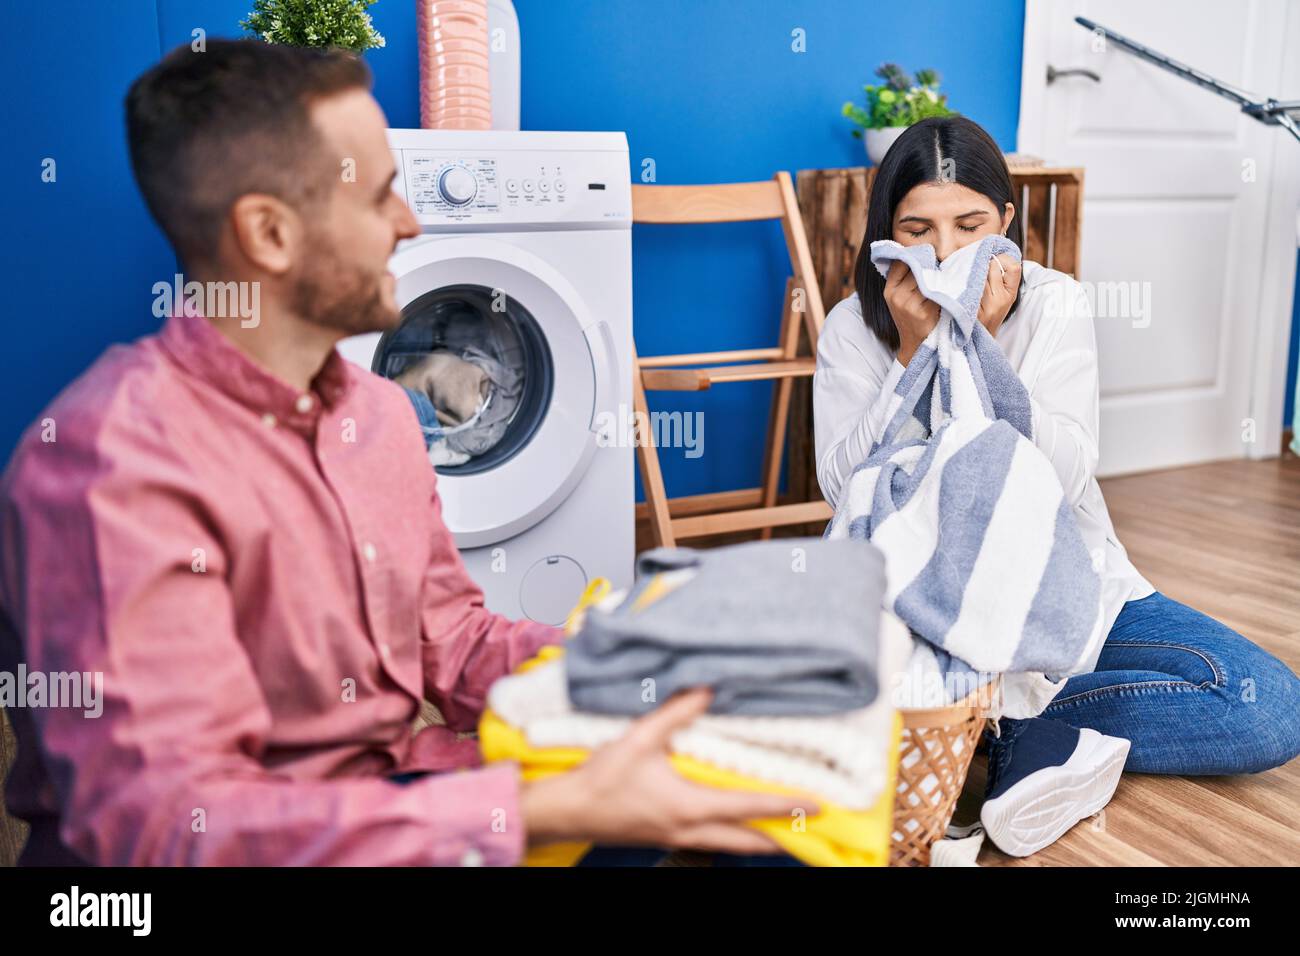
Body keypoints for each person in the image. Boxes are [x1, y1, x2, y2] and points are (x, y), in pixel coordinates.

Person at [0, 39, 812, 866]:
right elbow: (167, 826)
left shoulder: (379, 416)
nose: (411, 222)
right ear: (269, 234)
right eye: (383, 195)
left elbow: (449, 636)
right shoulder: (112, 465)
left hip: (392, 802)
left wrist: (632, 661)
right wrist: (521, 812)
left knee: (756, 822)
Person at [812, 115, 1300, 857]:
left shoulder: (1054, 303)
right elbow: (844, 486)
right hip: (916, 605)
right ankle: (983, 722)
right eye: (918, 228)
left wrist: (978, 342)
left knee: (1266, 708)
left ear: (1007, 220)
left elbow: (1063, 476)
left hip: (1069, 588)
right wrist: (918, 350)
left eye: (969, 224)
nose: (944, 252)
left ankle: (1006, 726)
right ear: (886, 230)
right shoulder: (855, 325)